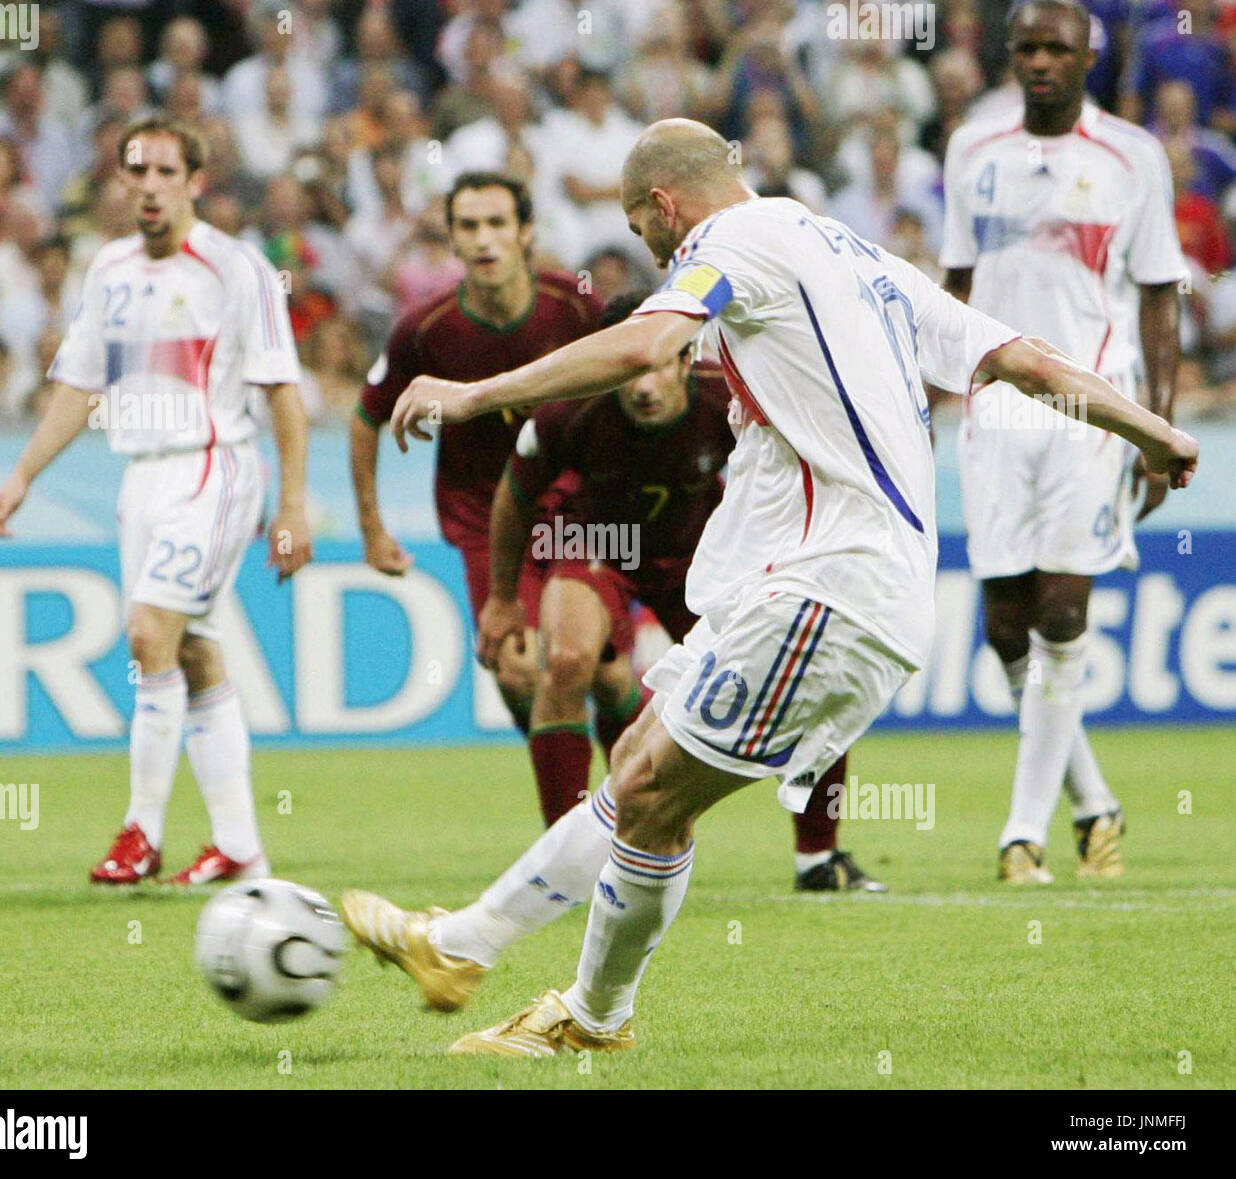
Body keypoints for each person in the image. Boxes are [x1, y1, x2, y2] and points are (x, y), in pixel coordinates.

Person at [340, 117, 1196, 1056]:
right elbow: (1023, 359)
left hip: (836, 585)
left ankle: (586, 1015)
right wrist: (1152, 430)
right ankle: (460, 948)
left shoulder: (728, 242)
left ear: (664, 204)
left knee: (653, 792)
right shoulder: (858, 256)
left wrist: (474, 394)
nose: (650, 248)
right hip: (803, 582)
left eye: (640, 228)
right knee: (637, 764)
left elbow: (646, 345)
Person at [0, 117, 313, 885]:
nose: (152, 186)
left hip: (214, 467)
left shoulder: (237, 268)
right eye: (139, 171)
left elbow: (283, 392)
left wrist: (294, 505)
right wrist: (22, 474)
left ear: (195, 181)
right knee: (191, 647)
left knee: (146, 631)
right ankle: (240, 844)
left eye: (168, 171)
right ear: (123, 180)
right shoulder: (109, 268)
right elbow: (79, 385)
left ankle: (142, 830)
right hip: (142, 477)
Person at [489, 287, 884, 890]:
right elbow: (515, 500)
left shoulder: (731, 396)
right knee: (565, 662)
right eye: (630, 370)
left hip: (701, 557)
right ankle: (565, 868)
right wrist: (502, 599)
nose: (644, 387)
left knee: (807, 676)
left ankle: (817, 858)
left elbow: (803, 467)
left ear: (685, 358)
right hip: (597, 545)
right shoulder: (569, 411)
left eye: (658, 367)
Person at [937, 0, 1189, 883]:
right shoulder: (972, 149)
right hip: (997, 410)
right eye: (1027, 48)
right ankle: (1095, 804)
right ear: (1010, 58)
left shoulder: (1132, 157)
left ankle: (1022, 836)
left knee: (1061, 613)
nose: (1040, 61)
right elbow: (955, 285)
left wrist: (1155, 425)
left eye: (1057, 48)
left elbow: (1158, 292)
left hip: (1093, 407)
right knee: (1006, 626)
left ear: (1089, 59)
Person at [350, 171, 603, 737]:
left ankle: (623, 782)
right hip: (483, 517)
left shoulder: (576, 307)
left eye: (497, 223)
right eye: (468, 226)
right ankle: (565, 785)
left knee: (601, 672)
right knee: (515, 670)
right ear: (452, 239)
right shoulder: (425, 329)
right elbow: (367, 417)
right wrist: (371, 528)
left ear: (526, 232)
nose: (484, 239)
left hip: (575, 512)